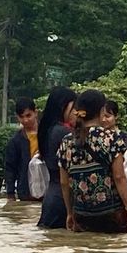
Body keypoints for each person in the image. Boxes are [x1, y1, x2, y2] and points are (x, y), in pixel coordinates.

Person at [58, 89, 127, 234]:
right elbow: (119, 177)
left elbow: (64, 182)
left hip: (82, 215)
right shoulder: (111, 138)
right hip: (111, 214)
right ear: (101, 111)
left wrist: (69, 213)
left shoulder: (66, 142)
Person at [37, 87, 77, 229]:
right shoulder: (62, 132)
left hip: (52, 196)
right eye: (73, 107)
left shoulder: (49, 129)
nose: (76, 112)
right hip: (62, 198)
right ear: (63, 107)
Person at [3, 97, 39, 201]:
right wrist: (10, 194)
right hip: (26, 192)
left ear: (35, 113)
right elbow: (10, 168)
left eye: (28, 115)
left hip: (47, 190)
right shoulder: (15, 141)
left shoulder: (48, 134)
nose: (25, 120)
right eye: (21, 117)